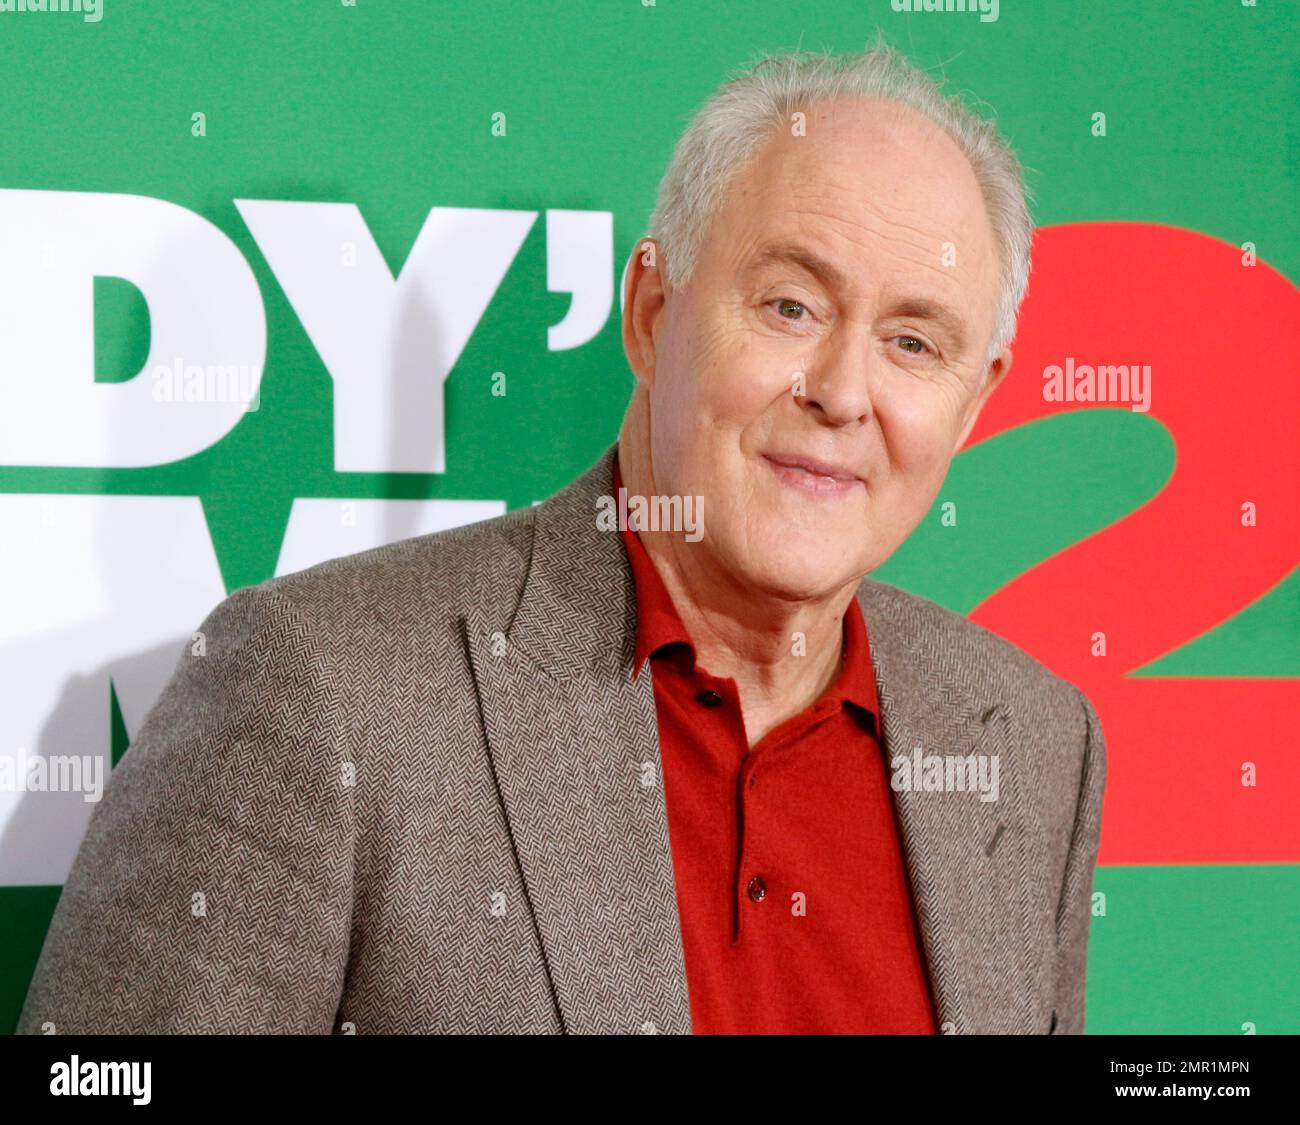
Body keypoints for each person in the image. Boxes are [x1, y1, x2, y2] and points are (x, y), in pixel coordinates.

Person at [18, 39, 1105, 1035]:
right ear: (649, 311)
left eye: (913, 343)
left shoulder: (1032, 749)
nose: (840, 392)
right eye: (789, 307)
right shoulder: (323, 692)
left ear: (972, 405)